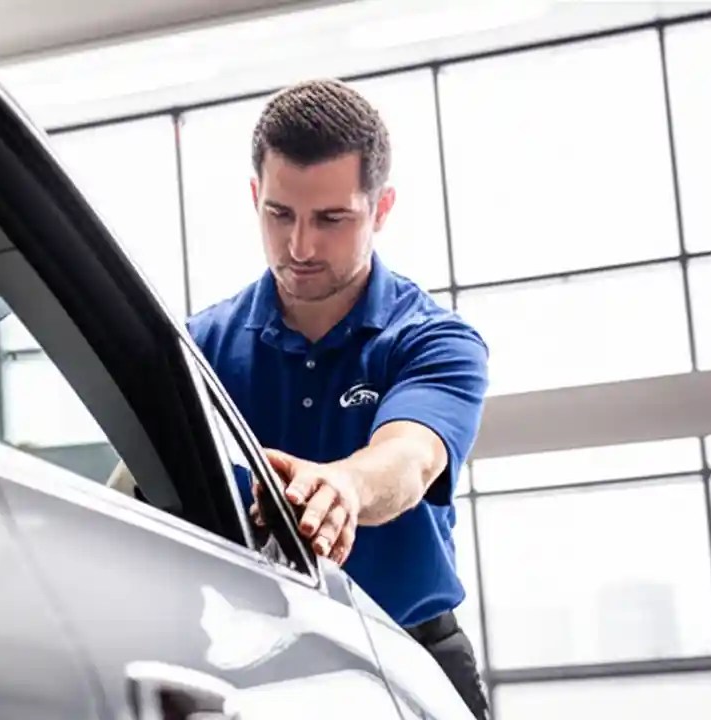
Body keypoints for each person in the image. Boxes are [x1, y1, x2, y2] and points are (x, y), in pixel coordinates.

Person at [185, 78, 491, 718]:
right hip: (257, 672)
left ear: (380, 209)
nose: (300, 247)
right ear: (254, 197)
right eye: (279, 214)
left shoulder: (437, 340)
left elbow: (411, 457)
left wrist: (344, 487)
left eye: (331, 219)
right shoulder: (197, 348)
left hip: (413, 662)